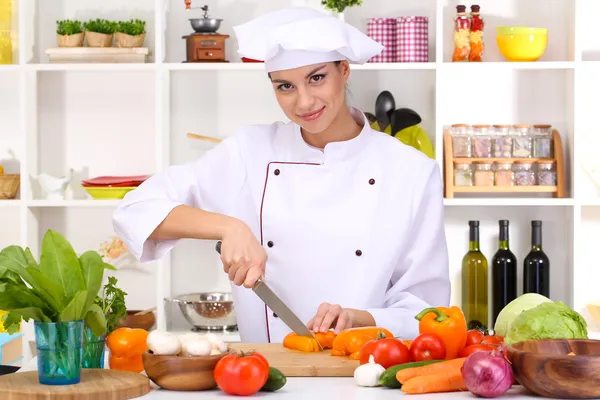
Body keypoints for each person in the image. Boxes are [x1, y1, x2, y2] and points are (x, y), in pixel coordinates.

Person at [113, 7, 450, 344]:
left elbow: (428, 312)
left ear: (344, 70)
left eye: (317, 78)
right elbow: (135, 210)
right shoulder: (250, 151)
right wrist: (229, 227)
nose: (304, 102)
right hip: (264, 376)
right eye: (285, 86)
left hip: (366, 372)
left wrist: (361, 319)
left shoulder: (412, 172)